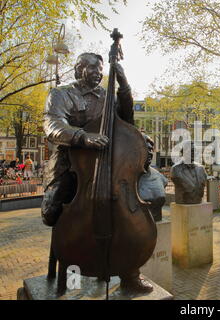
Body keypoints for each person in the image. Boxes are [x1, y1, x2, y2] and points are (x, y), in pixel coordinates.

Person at [42, 52, 151, 293]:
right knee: (53, 213)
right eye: (92, 67)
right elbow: (53, 125)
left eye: (100, 68)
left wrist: (124, 87)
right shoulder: (61, 93)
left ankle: (130, 273)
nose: (97, 72)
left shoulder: (107, 95)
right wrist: (82, 137)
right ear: (78, 68)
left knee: (123, 214)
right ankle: (72, 281)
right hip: (71, 162)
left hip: (107, 163)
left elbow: (126, 123)